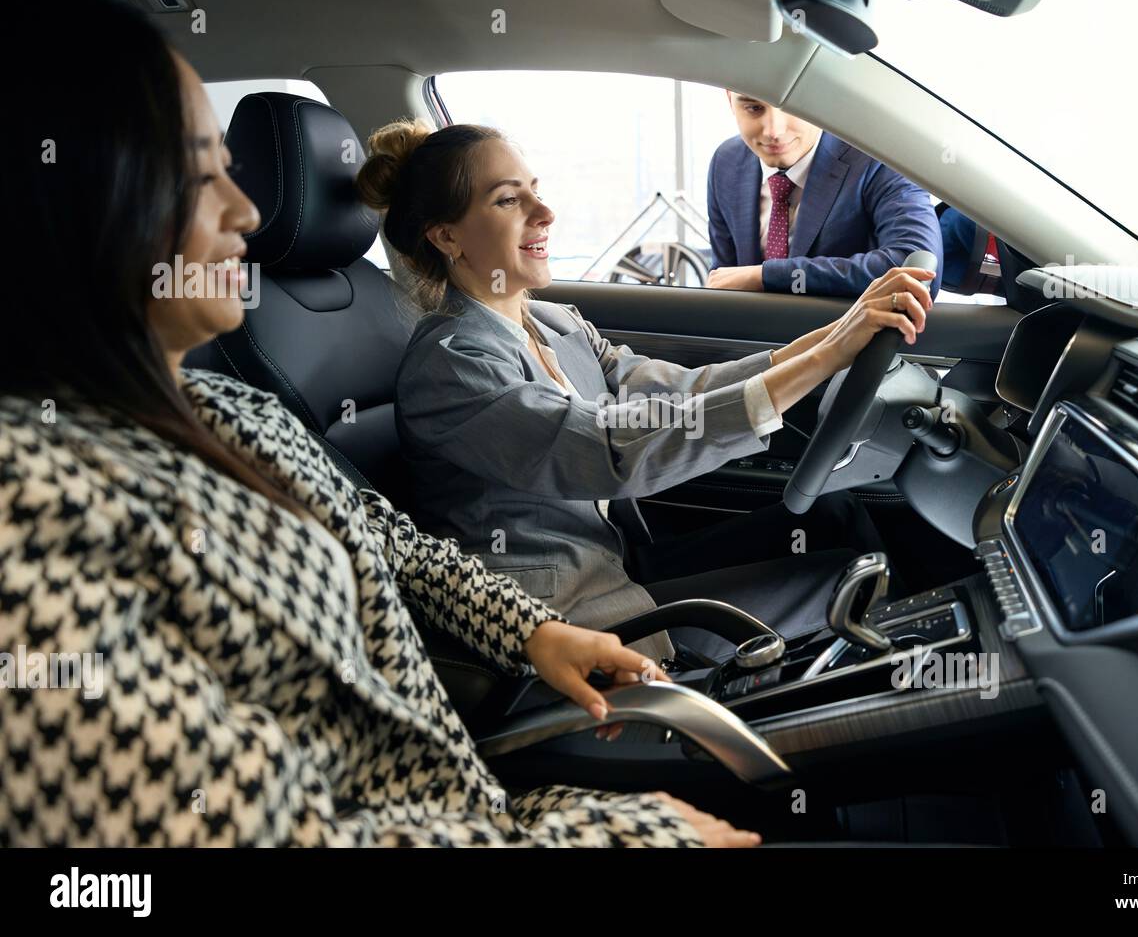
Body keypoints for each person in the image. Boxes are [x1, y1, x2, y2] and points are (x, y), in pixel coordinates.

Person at [0, 0, 759, 847]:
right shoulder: (28, 512)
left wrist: (535, 630)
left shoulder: (225, 409)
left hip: (466, 808)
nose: (243, 211)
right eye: (197, 170)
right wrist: (622, 836)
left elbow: (392, 543)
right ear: (69, 195)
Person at [370, 121, 934, 664]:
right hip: (569, 617)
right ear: (446, 236)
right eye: (508, 201)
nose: (545, 213)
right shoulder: (452, 363)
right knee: (849, 583)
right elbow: (608, 449)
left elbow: (681, 391)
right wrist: (825, 359)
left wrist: (839, 335)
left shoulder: (554, 323)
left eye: (535, 192)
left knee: (836, 522)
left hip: (620, 563)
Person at [706, 91, 943, 300]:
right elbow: (724, 278)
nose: (773, 131)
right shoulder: (726, 162)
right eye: (753, 108)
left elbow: (918, 270)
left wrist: (767, 276)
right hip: (751, 344)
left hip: (847, 343)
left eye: (791, 107)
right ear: (730, 100)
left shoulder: (877, 158)